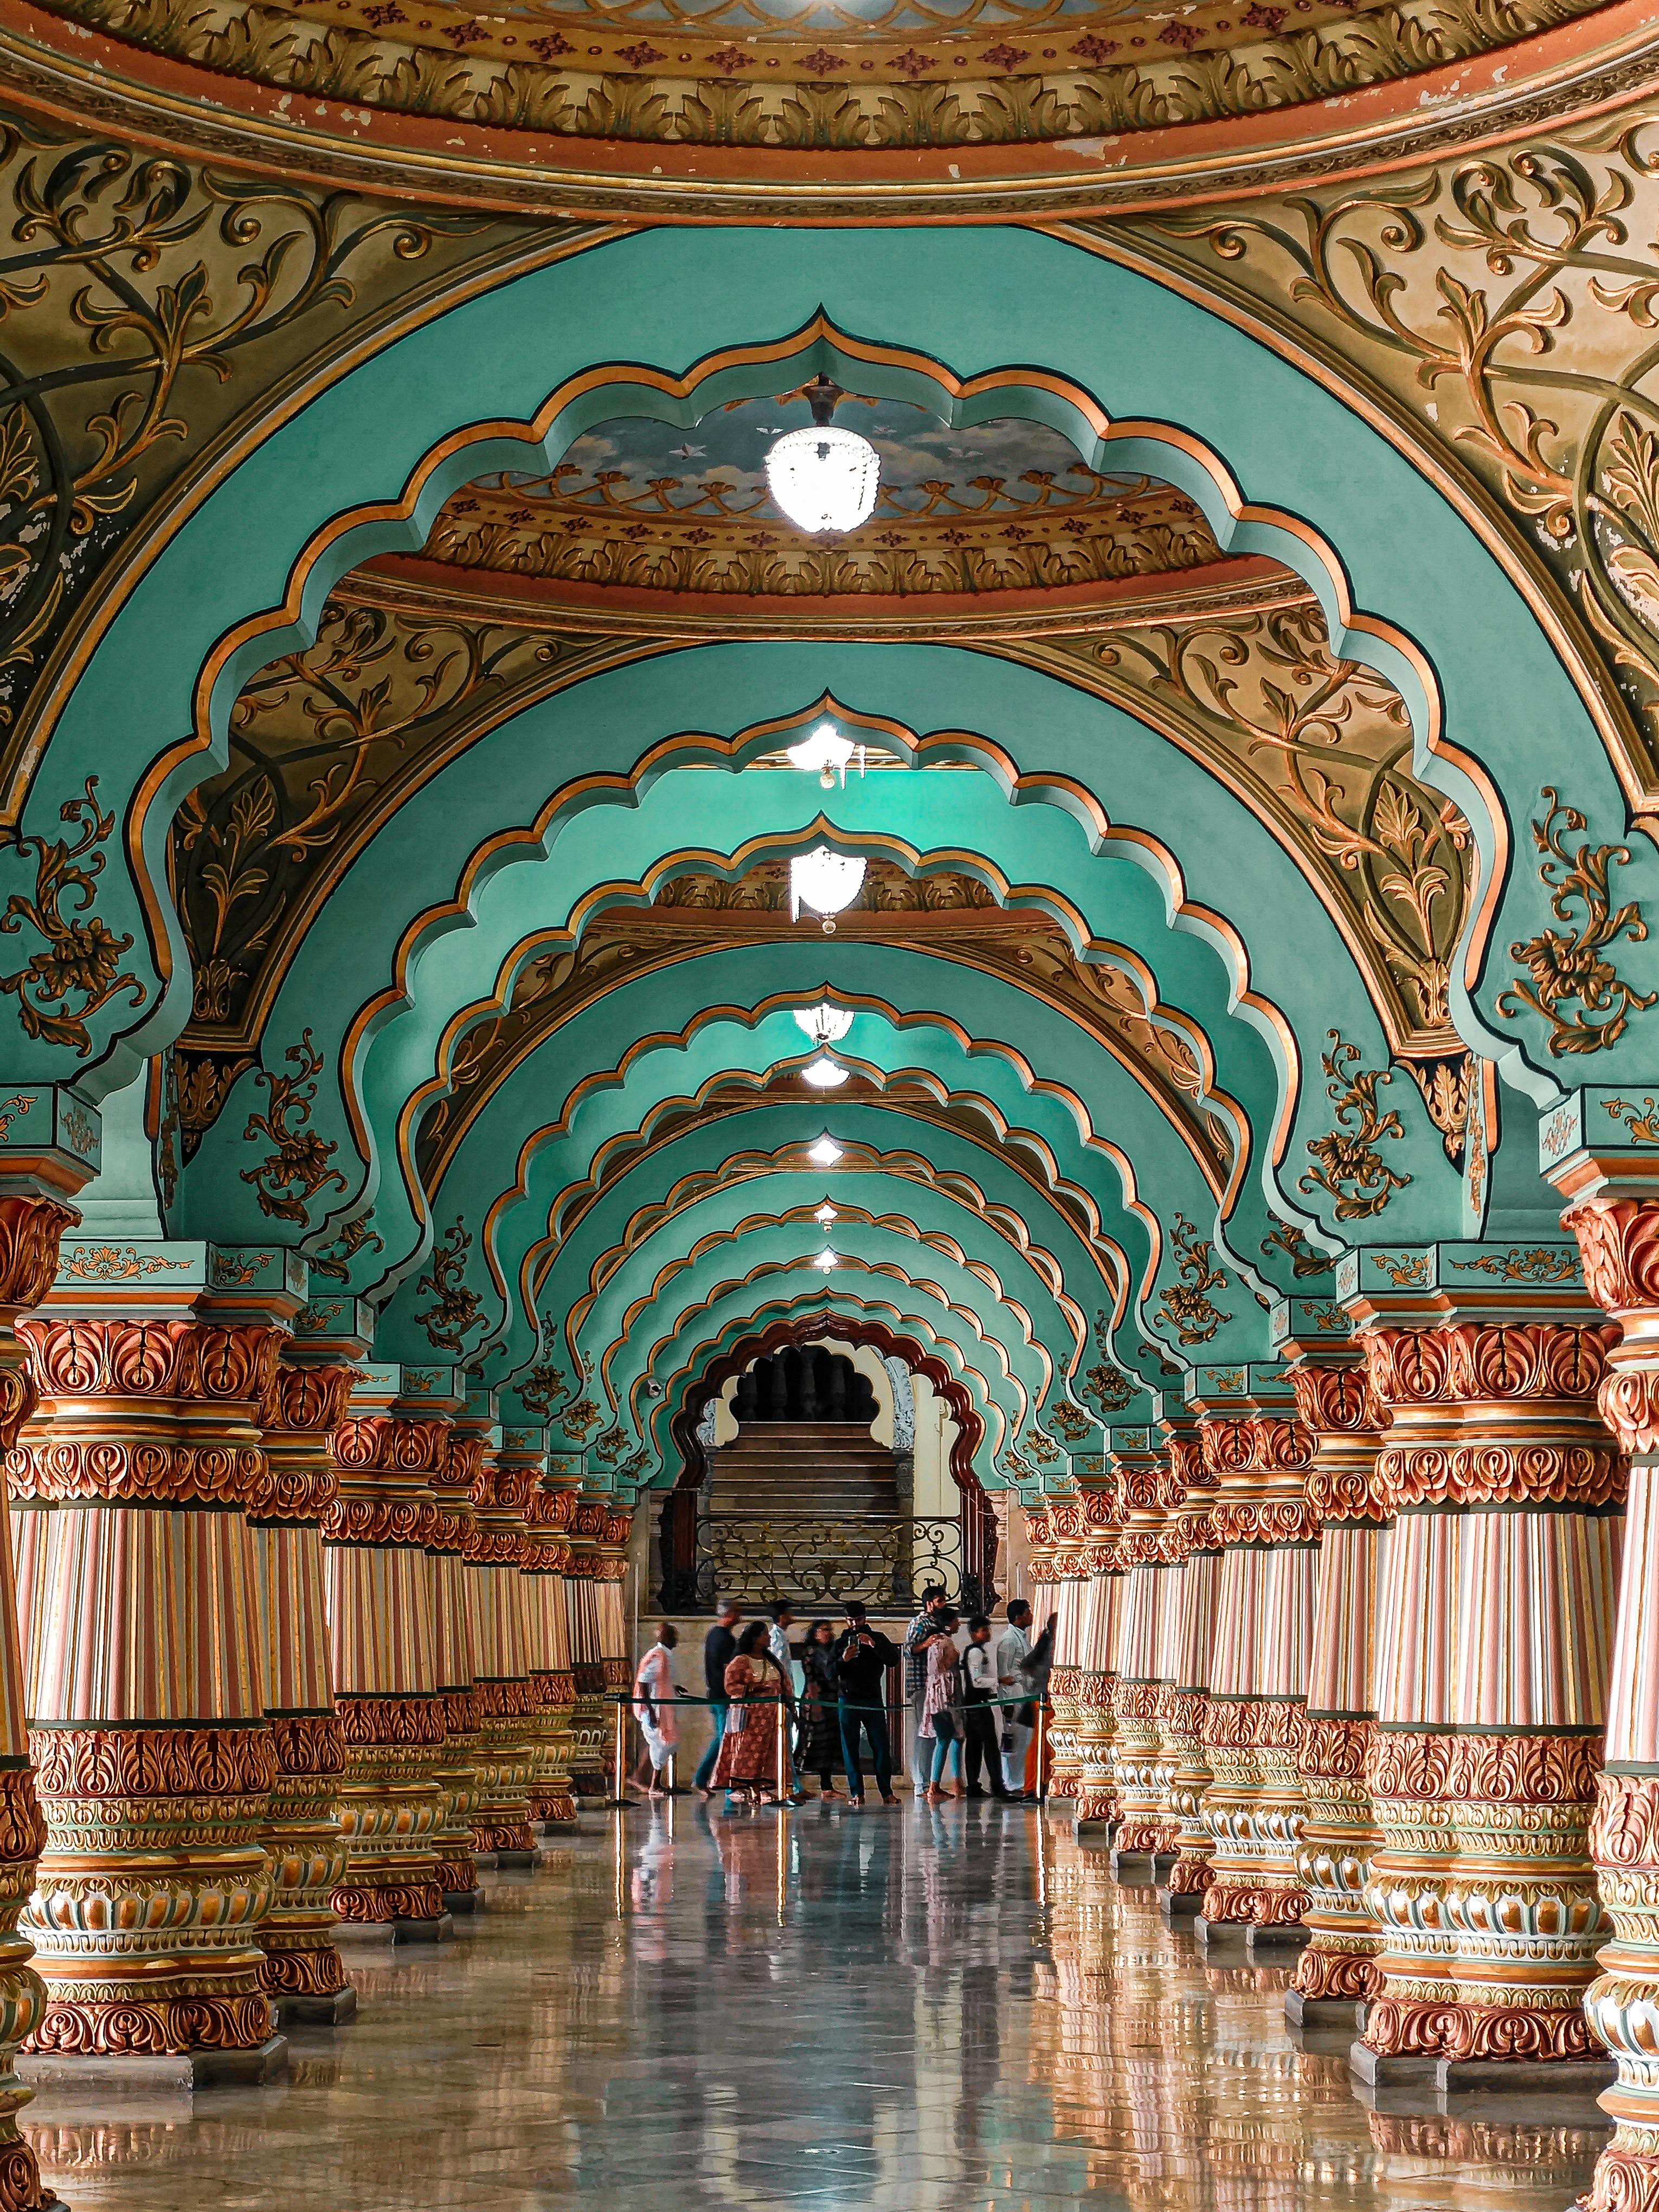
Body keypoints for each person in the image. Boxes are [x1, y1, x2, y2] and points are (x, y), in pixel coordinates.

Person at [712, 1619, 793, 1806]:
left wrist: (790, 1704)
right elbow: (731, 1686)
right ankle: (752, 1790)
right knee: (749, 1756)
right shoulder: (741, 1661)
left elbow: (784, 1685)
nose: (769, 1637)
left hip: (773, 1719)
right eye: (765, 1634)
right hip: (750, 1720)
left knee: (771, 1754)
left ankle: (773, 1790)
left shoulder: (772, 1661)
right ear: (756, 1638)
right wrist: (758, 1688)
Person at [832, 1601, 900, 1808]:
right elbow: (828, 1673)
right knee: (850, 1748)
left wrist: (873, 1645)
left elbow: (893, 1660)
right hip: (848, 1699)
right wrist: (843, 1660)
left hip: (872, 1700)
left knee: (880, 1746)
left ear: (865, 1618)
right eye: (851, 1620)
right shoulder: (840, 1643)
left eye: (859, 1620)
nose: (855, 1624)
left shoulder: (878, 1638)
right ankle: (857, 1792)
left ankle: (886, 1792)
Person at [996, 1598, 1057, 1801]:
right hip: (1019, 1697)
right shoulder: (1008, 1640)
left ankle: (1029, 1781)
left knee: (1027, 1743)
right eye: (1028, 1612)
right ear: (1019, 1616)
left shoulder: (1028, 1638)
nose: (1031, 1616)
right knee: (1014, 1744)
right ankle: (1017, 1782)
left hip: (1029, 1695)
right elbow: (1005, 1673)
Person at [903, 1586, 952, 1789]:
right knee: (925, 1734)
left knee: (935, 1733)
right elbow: (908, 1650)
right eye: (940, 1601)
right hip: (921, 1684)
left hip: (936, 1688)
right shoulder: (919, 1622)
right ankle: (922, 1783)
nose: (944, 1604)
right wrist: (926, 1644)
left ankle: (931, 1782)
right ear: (930, 1602)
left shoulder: (936, 1623)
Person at [629, 1622, 683, 1798]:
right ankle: (654, 1785)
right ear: (666, 1637)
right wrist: (650, 1710)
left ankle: (645, 1779)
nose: (676, 1640)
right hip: (655, 1708)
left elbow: (659, 1680)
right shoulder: (658, 1655)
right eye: (673, 1636)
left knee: (661, 1743)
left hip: (662, 1707)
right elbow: (644, 1682)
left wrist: (674, 1688)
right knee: (663, 1744)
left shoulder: (664, 1655)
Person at [694, 1600, 742, 1797]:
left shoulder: (715, 1635)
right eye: (737, 1611)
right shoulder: (724, 1639)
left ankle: (712, 1779)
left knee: (724, 1738)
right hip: (723, 1696)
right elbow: (727, 1670)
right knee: (724, 1739)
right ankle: (704, 1778)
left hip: (717, 1694)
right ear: (729, 1613)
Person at [918, 1608, 966, 1802]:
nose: (959, 1624)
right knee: (944, 1738)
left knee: (956, 1737)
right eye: (956, 1621)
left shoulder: (944, 1641)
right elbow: (939, 1670)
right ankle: (934, 1785)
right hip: (943, 1698)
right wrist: (947, 1698)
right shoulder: (941, 1643)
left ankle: (956, 1782)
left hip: (943, 1696)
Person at [962, 1614, 1011, 1799]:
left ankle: (974, 1785)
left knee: (975, 1745)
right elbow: (976, 1681)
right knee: (989, 1744)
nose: (988, 1633)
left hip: (977, 1703)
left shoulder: (980, 1651)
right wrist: (998, 1681)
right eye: (984, 1630)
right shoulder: (975, 1653)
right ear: (975, 1634)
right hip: (977, 1705)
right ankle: (997, 1785)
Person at [795, 1620, 844, 1798]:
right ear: (816, 1633)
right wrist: (815, 1704)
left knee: (829, 1746)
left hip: (832, 1701)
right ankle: (794, 1786)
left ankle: (827, 1786)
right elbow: (812, 1679)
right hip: (816, 1700)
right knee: (809, 1743)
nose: (828, 1633)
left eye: (830, 1630)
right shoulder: (811, 1652)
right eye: (824, 1630)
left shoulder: (833, 1650)